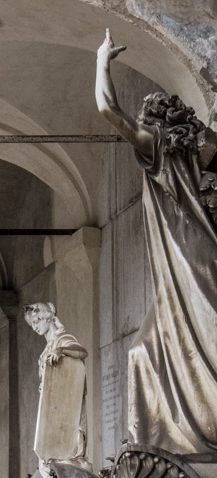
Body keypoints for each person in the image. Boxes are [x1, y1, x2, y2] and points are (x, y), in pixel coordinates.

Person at [96, 29, 217, 454]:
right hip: (206, 248)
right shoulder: (201, 145)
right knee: (146, 349)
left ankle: (168, 437)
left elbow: (107, 108)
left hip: (183, 252)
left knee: (142, 352)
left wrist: (101, 61)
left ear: (154, 120)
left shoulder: (157, 146)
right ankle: (170, 434)